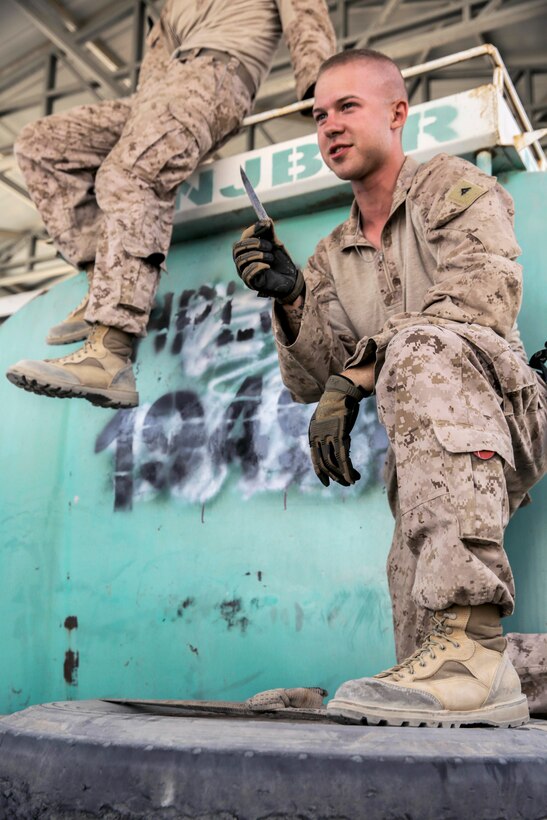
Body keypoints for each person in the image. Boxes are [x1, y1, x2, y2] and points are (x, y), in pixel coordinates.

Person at [232, 48, 547, 727]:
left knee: (418, 344)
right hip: (430, 460)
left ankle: (469, 655)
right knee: (425, 654)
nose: (329, 126)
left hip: (509, 410)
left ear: (397, 113)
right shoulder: (329, 255)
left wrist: (355, 376)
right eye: (319, 115)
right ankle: (485, 667)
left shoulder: (452, 187)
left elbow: (479, 299)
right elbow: (313, 381)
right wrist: (291, 297)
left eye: (347, 107)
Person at [6, 0, 336, 409]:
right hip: (158, 93)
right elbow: (155, 68)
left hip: (218, 75)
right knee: (41, 145)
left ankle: (110, 352)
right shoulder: (171, 8)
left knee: (131, 172)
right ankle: (102, 284)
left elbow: (306, 15)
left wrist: (323, 88)